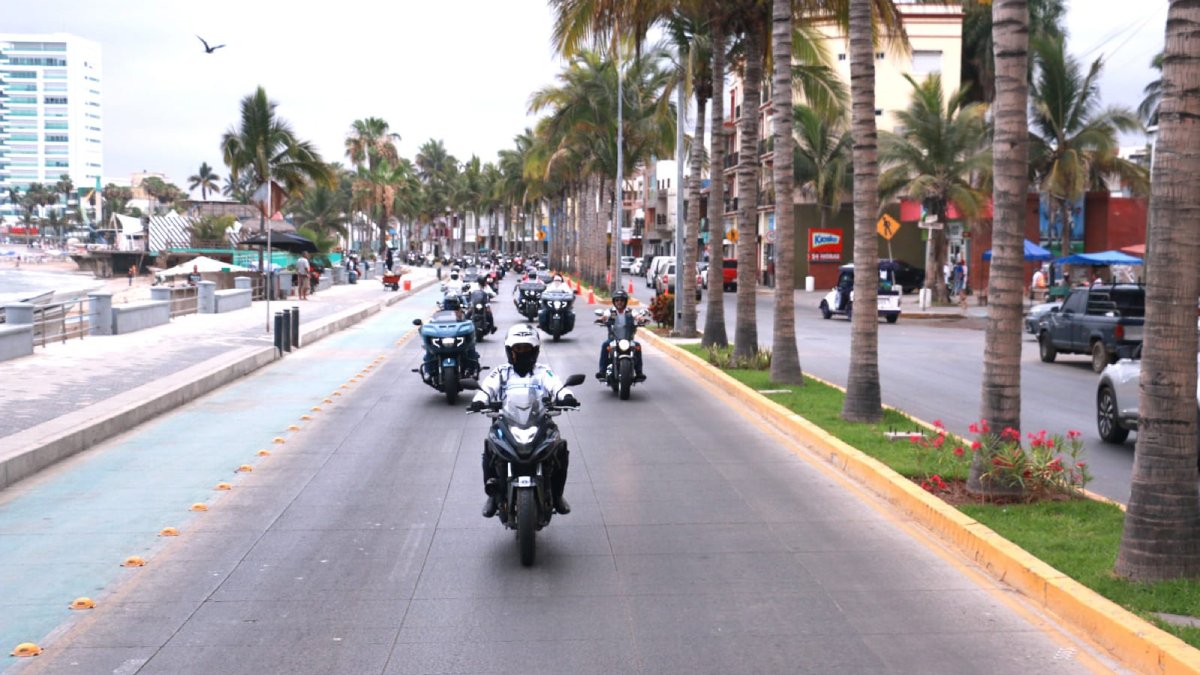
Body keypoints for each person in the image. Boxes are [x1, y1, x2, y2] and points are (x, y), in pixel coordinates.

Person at [470, 324, 579, 518]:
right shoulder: (501, 372)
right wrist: (479, 401)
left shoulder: (543, 372)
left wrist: (566, 396)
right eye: (517, 349)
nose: (522, 353)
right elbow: (486, 388)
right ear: (510, 351)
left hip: (539, 424)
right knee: (489, 446)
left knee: (560, 448)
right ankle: (493, 497)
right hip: (506, 423)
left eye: (526, 348)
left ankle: (557, 495)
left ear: (535, 350)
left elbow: (557, 386)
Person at [595, 290, 645, 382]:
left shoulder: (630, 311)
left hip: (628, 339)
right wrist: (602, 319)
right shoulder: (610, 311)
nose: (619, 302)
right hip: (613, 339)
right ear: (614, 301)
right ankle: (602, 371)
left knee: (637, 346)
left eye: (621, 300)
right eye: (617, 300)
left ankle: (639, 373)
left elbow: (637, 316)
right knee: (605, 345)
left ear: (625, 301)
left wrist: (641, 319)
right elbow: (605, 316)